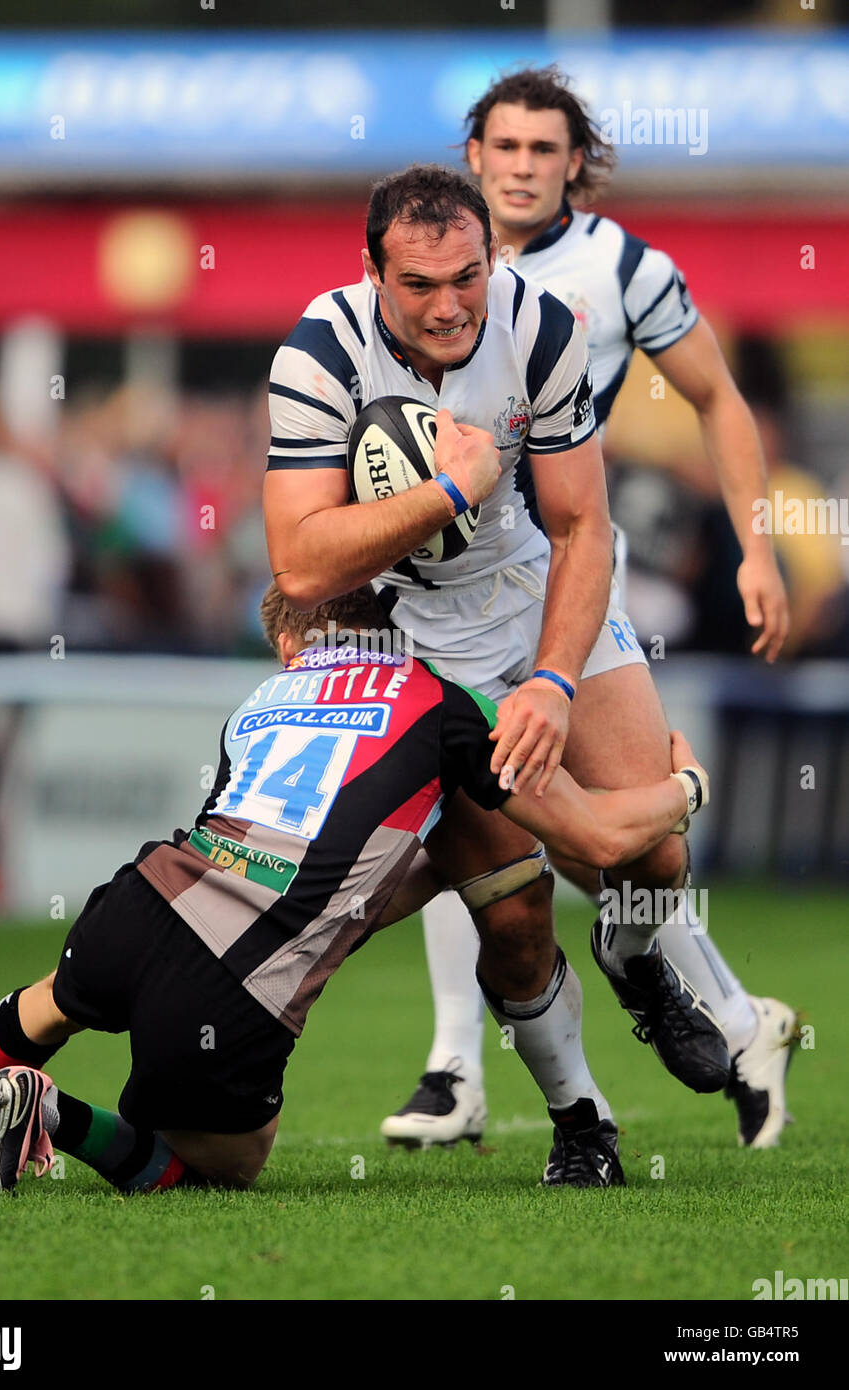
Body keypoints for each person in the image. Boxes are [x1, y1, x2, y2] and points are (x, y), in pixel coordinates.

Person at [0, 585, 712, 1194]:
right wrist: (684, 785)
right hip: (231, 990)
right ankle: (52, 1113)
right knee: (226, 1165)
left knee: (50, 1002)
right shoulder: (442, 704)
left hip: (144, 896)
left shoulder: (260, 701)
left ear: (292, 646)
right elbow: (597, 838)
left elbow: (321, 863)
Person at [265, 163, 732, 1166]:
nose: (449, 307)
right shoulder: (316, 353)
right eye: (420, 285)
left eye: (466, 277)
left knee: (649, 859)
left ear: (490, 256)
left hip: (533, 588)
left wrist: (553, 684)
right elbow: (300, 560)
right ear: (371, 273)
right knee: (512, 908)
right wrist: (445, 491)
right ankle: (581, 1124)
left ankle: (633, 957)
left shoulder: (543, 326)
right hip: (402, 637)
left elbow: (580, 526)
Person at [382, 69, 796, 1154]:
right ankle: (454, 1063)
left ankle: (699, 995)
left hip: (567, 573)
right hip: (436, 586)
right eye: (503, 147)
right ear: (472, 154)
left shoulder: (622, 269)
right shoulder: (415, 270)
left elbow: (716, 395)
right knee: (463, 806)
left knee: (625, 849)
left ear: (578, 161)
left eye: (543, 149)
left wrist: (758, 547)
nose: (521, 166)